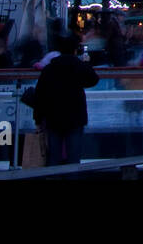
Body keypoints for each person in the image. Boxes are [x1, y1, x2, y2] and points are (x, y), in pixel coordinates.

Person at [32, 35, 98, 167]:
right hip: (75, 118)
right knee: (73, 158)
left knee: (53, 157)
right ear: (75, 50)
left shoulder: (49, 69)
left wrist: (38, 119)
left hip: (53, 117)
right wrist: (86, 63)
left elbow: (40, 95)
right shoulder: (78, 66)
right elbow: (93, 79)